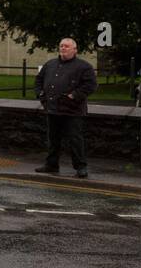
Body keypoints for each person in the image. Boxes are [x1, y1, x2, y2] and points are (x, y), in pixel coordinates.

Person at [33, 37, 97, 178]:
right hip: (52, 108)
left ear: (75, 49)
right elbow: (38, 80)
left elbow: (90, 85)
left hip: (73, 110)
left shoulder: (84, 66)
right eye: (61, 45)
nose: (63, 48)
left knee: (75, 139)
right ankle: (51, 165)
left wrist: (74, 96)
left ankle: (81, 167)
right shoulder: (50, 64)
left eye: (67, 46)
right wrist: (41, 95)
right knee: (53, 139)